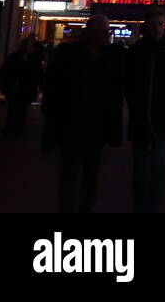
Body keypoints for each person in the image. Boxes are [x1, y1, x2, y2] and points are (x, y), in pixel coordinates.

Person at [41, 14, 124, 213]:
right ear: (91, 33)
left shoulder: (111, 56)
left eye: (107, 32)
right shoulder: (70, 54)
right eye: (104, 32)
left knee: (89, 173)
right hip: (73, 122)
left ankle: (82, 207)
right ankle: (70, 208)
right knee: (72, 172)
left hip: (96, 124)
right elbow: (53, 86)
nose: (107, 36)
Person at [124, 9, 165, 213]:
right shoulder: (137, 51)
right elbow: (129, 85)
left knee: (157, 171)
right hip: (142, 119)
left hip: (163, 119)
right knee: (141, 172)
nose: (157, 28)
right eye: (153, 24)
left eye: (160, 24)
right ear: (147, 26)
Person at [0, 37, 45, 137]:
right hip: (22, 87)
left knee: (16, 109)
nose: (27, 48)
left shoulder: (15, 57)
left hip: (19, 87)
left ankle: (13, 128)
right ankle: (15, 128)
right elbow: (39, 73)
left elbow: (4, 70)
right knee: (18, 109)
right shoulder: (33, 58)